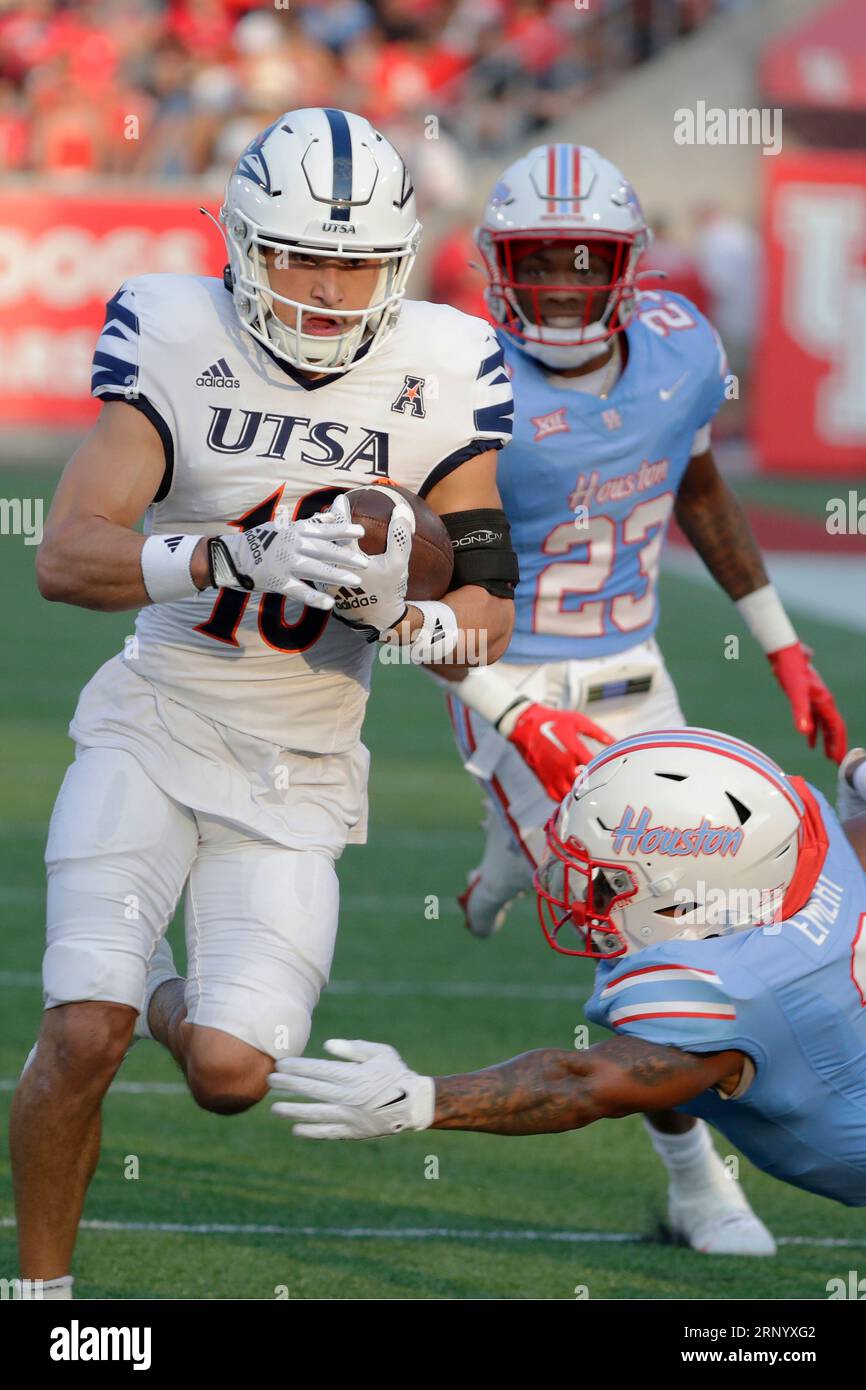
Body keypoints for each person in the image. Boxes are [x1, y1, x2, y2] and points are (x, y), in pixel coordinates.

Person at [11, 107, 518, 1301]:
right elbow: (65, 552)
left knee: (233, 1072)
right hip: (154, 719)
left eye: (354, 259)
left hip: (298, 767)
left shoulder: (442, 366)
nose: (329, 285)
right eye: (299, 252)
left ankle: (163, 999)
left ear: (397, 261)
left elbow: (485, 619)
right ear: (241, 244)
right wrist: (224, 560)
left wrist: (400, 613)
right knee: (83, 1026)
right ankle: (39, 1305)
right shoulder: (178, 335)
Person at [426, 144, 847, 1254]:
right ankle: (694, 1182)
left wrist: (780, 646)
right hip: (512, 679)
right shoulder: (460, 378)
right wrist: (513, 710)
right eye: (537, 262)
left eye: (584, 261)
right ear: (495, 265)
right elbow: (407, 593)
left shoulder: (677, 351)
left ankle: (508, 859)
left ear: (628, 268)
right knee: (645, 936)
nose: (561, 284)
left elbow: (697, 484)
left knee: (710, 894)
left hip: (638, 673)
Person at [270, 734, 866, 1219]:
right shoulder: (807, 833)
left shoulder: (736, 994)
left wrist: (426, 1100)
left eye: (609, 879)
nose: (580, 892)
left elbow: (584, 1083)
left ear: (686, 896)